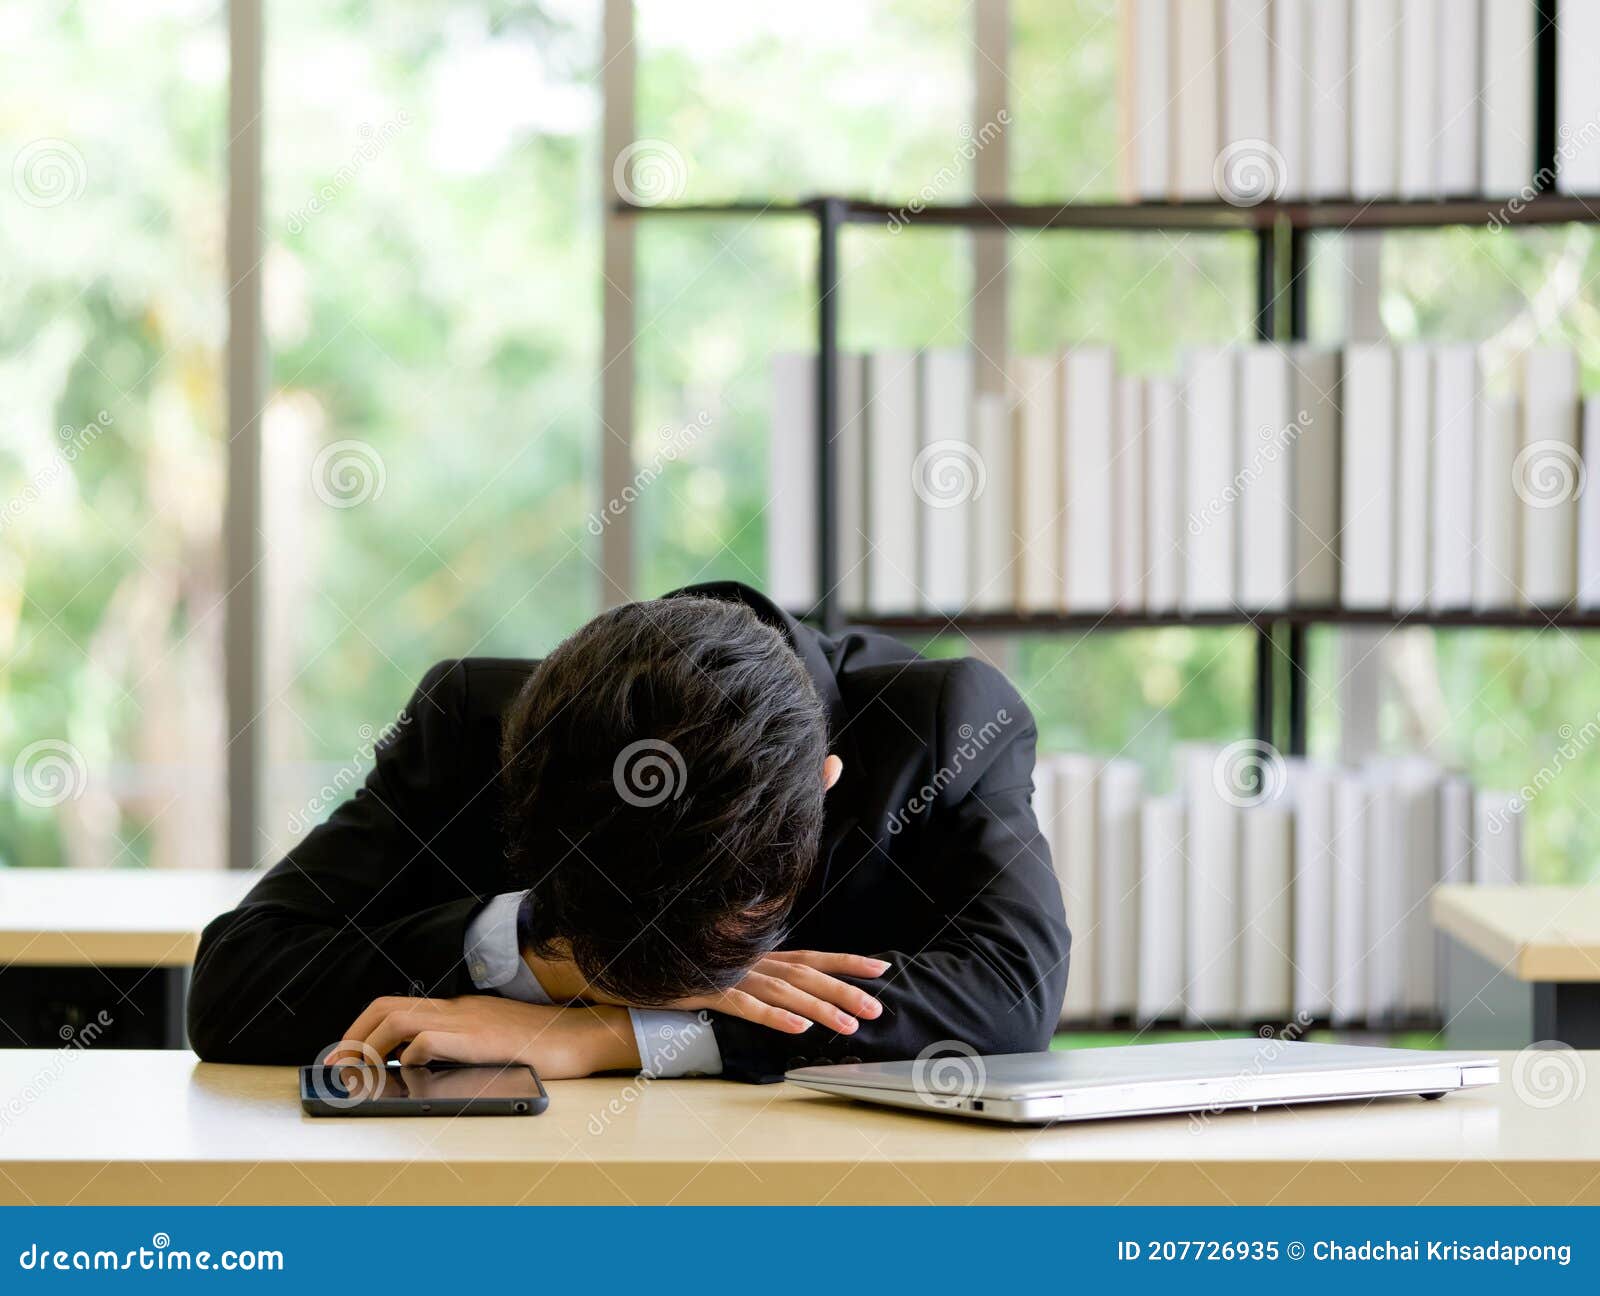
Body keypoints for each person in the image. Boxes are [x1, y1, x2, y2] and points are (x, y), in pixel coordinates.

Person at [188, 582, 1070, 1082]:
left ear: (824, 790)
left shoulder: (948, 725)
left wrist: (606, 1035)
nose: (668, 992)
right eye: (616, 963)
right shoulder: (473, 727)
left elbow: (1010, 994)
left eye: (702, 968)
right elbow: (234, 986)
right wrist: (531, 953)